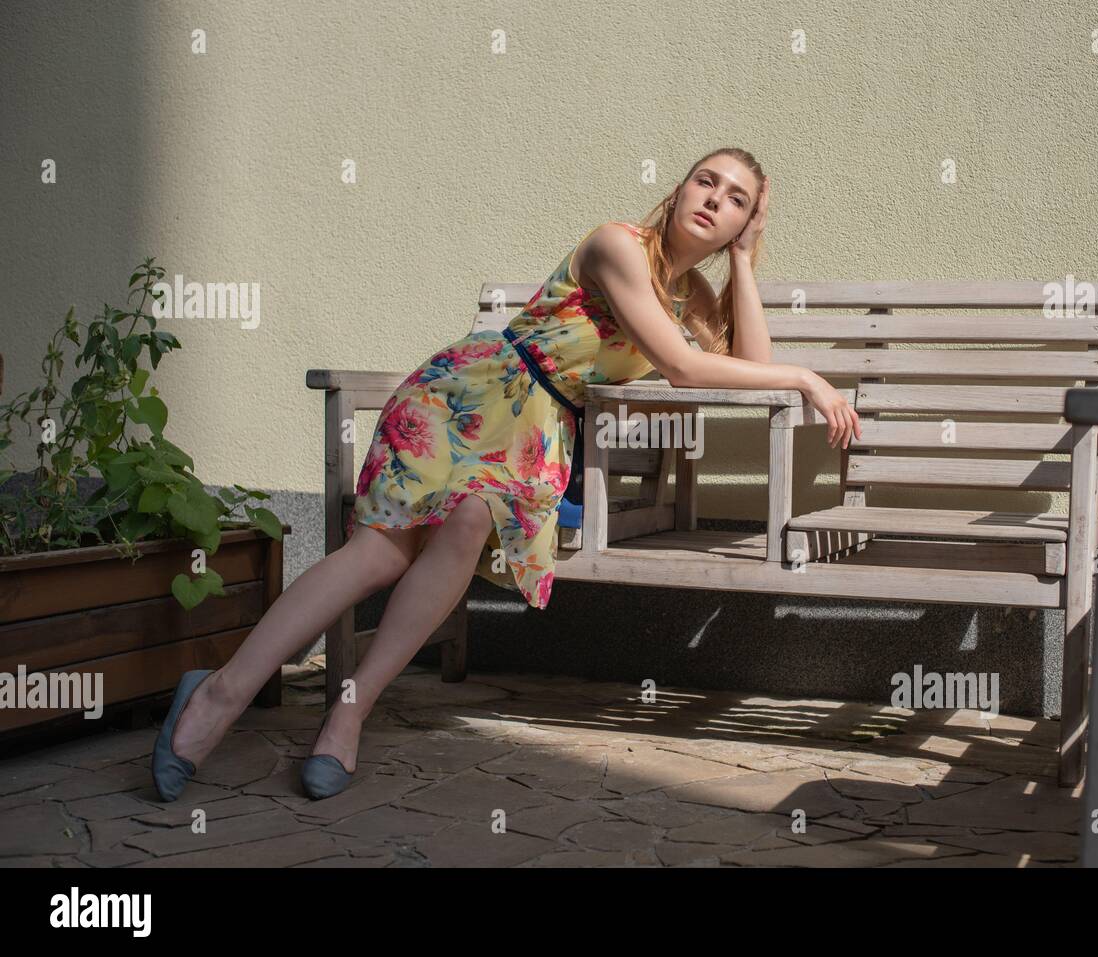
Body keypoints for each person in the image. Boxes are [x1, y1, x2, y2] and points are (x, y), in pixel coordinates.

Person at [151, 148, 862, 801]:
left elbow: (747, 370)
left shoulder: (693, 296)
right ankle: (220, 692)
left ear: (743, 220)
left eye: (737, 199)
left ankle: (349, 710)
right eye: (706, 180)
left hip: (534, 438)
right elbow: (684, 367)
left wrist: (743, 263)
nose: (715, 199)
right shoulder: (618, 244)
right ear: (678, 189)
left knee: (467, 522)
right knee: (380, 552)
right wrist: (806, 375)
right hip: (471, 395)